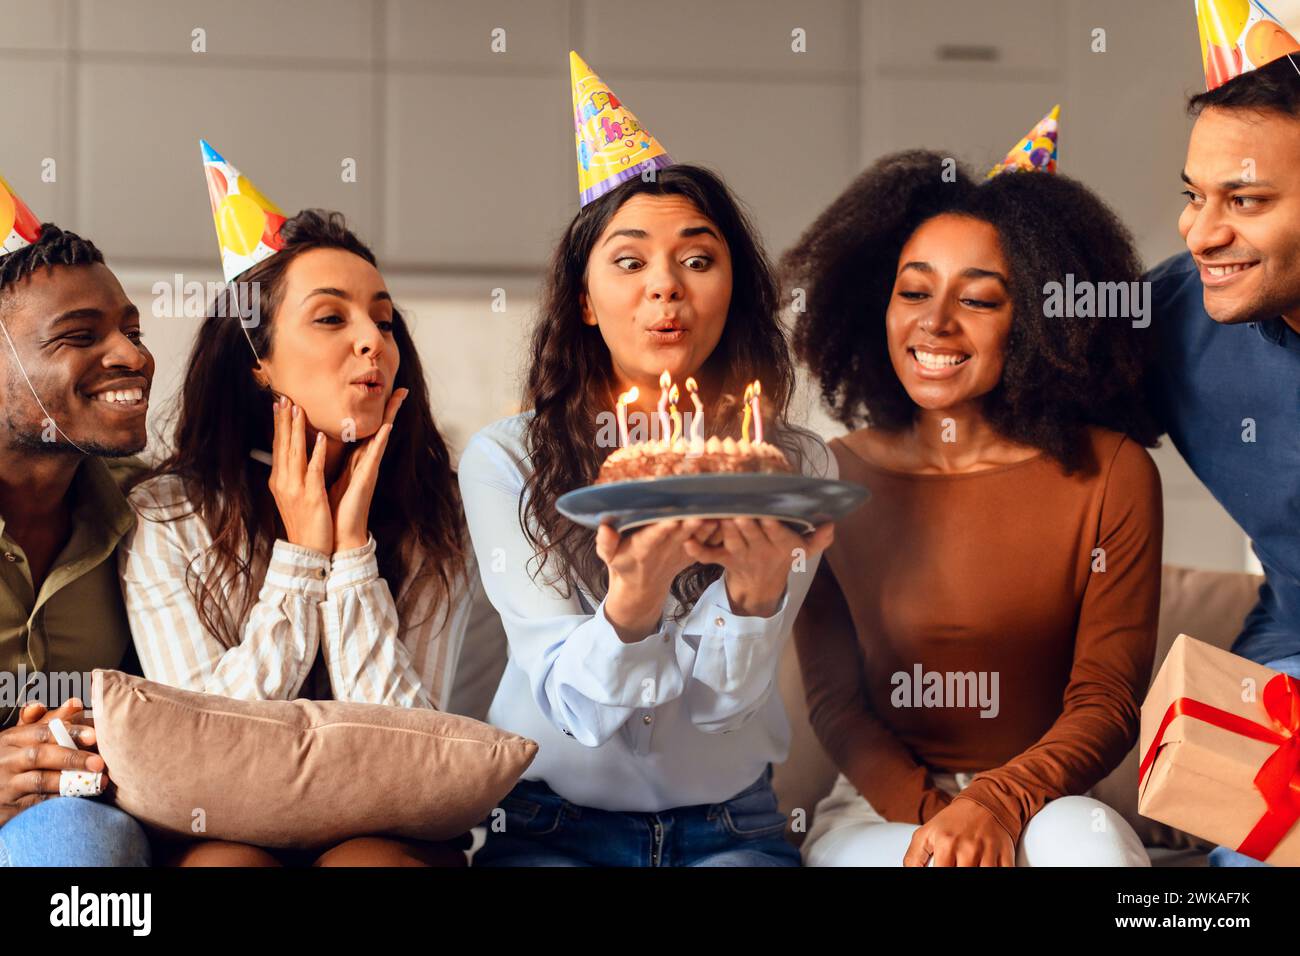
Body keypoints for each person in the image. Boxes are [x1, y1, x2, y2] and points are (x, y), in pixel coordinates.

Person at [457, 54, 835, 867]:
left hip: (733, 829)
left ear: (733, 287)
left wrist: (756, 595)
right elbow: (575, 709)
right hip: (548, 828)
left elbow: (720, 710)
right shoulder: (506, 459)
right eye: (630, 262)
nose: (667, 287)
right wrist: (632, 597)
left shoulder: (792, 462)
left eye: (698, 260)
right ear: (585, 301)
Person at [784, 141, 1162, 867]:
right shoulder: (827, 477)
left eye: (981, 298)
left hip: (1050, 800)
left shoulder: (1113, 472)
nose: (936, 323)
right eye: (914, 291)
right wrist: (944, 825)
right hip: (882, 808)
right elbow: (838, 704)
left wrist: (997, 804)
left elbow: (1108, 699)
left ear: (1036, 324)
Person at [119, 145, 478, 867]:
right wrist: (302, 559)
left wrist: (351, 559)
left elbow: (410, 751)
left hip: (387, 829)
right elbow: (203, 747)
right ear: (258, 363)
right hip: (219, 825)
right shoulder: (167, 514)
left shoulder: (436, 516)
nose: (372, 341)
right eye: (329, 320)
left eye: (383, 321)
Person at [1146, 32, 1300, 866]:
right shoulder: (1175, 319)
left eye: (1244, 202)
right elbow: (1017, 414)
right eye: (1192, 194)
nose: (1199, 232)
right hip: (1286, 672)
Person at [0, 187, 152, 866]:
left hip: (75, 836)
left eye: (132, 330)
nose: (134, 356)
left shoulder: (154, 514)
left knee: (80, 841)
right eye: (81, 336)